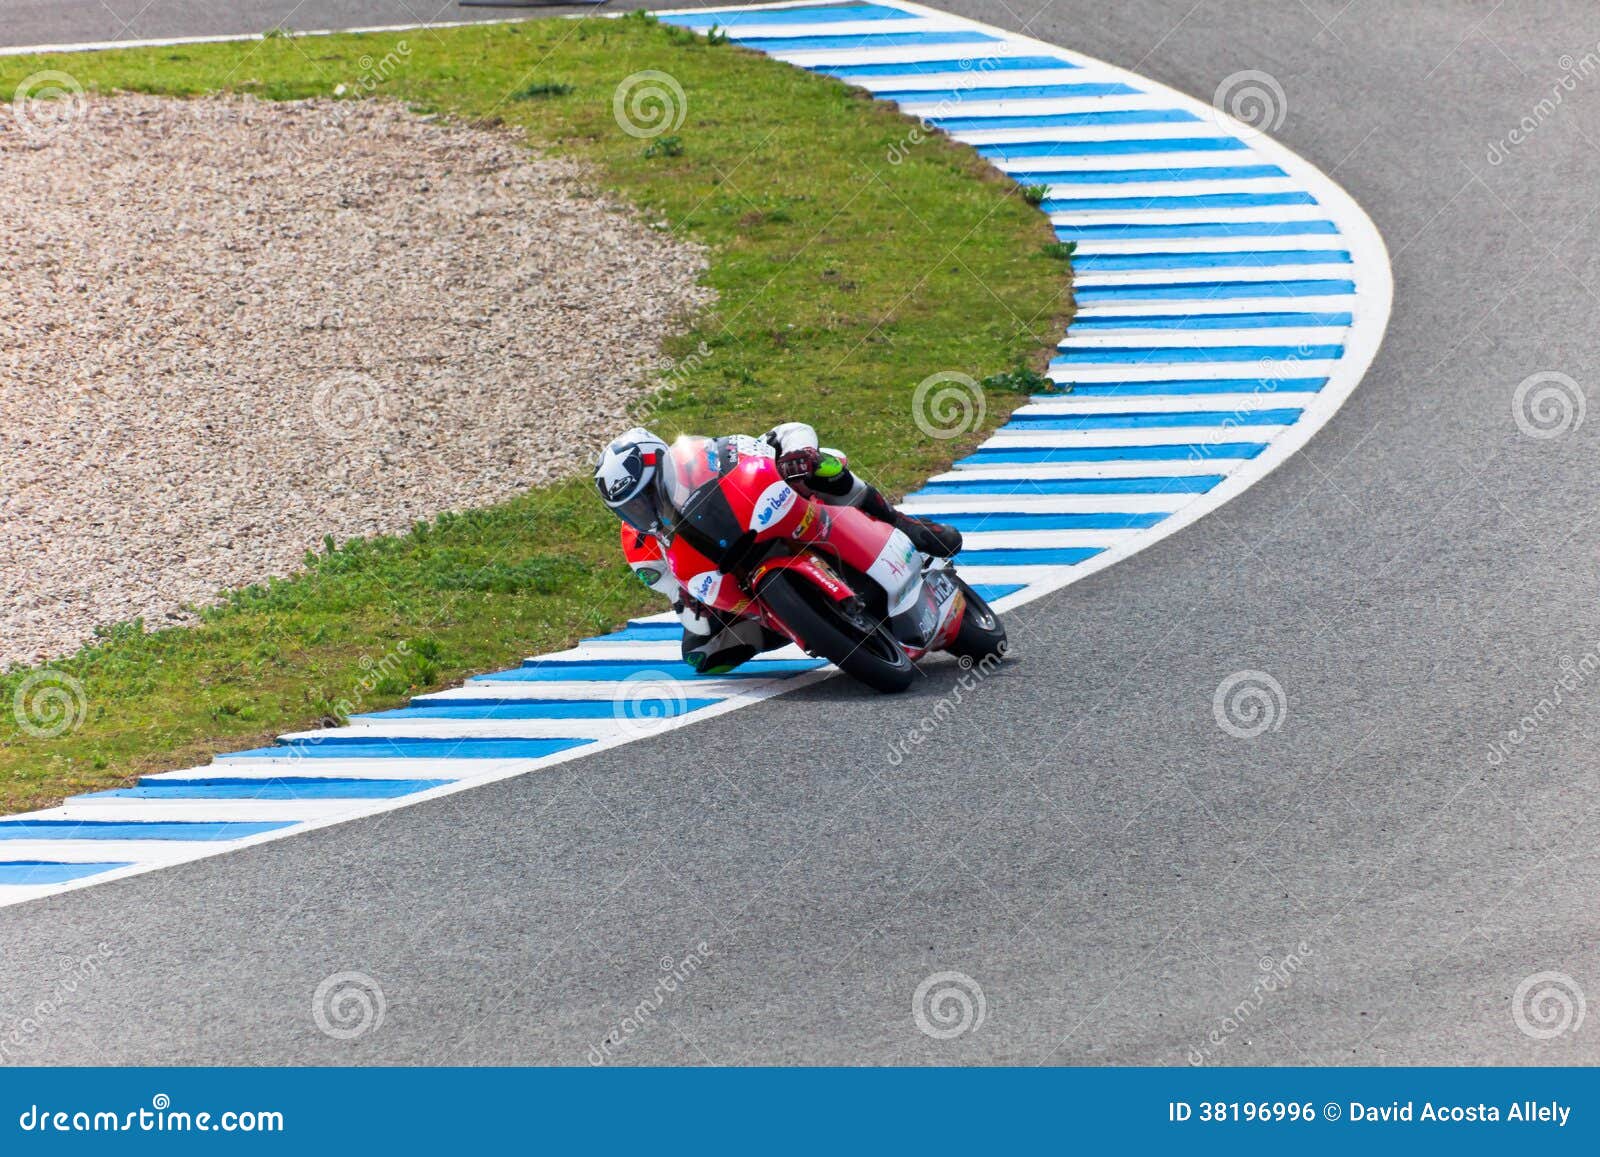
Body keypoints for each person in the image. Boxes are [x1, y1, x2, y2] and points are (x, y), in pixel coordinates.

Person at [593, 423, 963, 674]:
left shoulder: (699, 456)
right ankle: (792, 623)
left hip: (763, 516)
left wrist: (793, 454)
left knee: (822, 467)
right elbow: (676, 596)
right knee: (700, 654)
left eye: (645, 496)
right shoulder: (639, 543)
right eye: (630, 508)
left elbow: (771, 439)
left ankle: (903, 524)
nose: (642, 511)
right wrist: (688, 602)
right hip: (727, 570)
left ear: (663, 468)